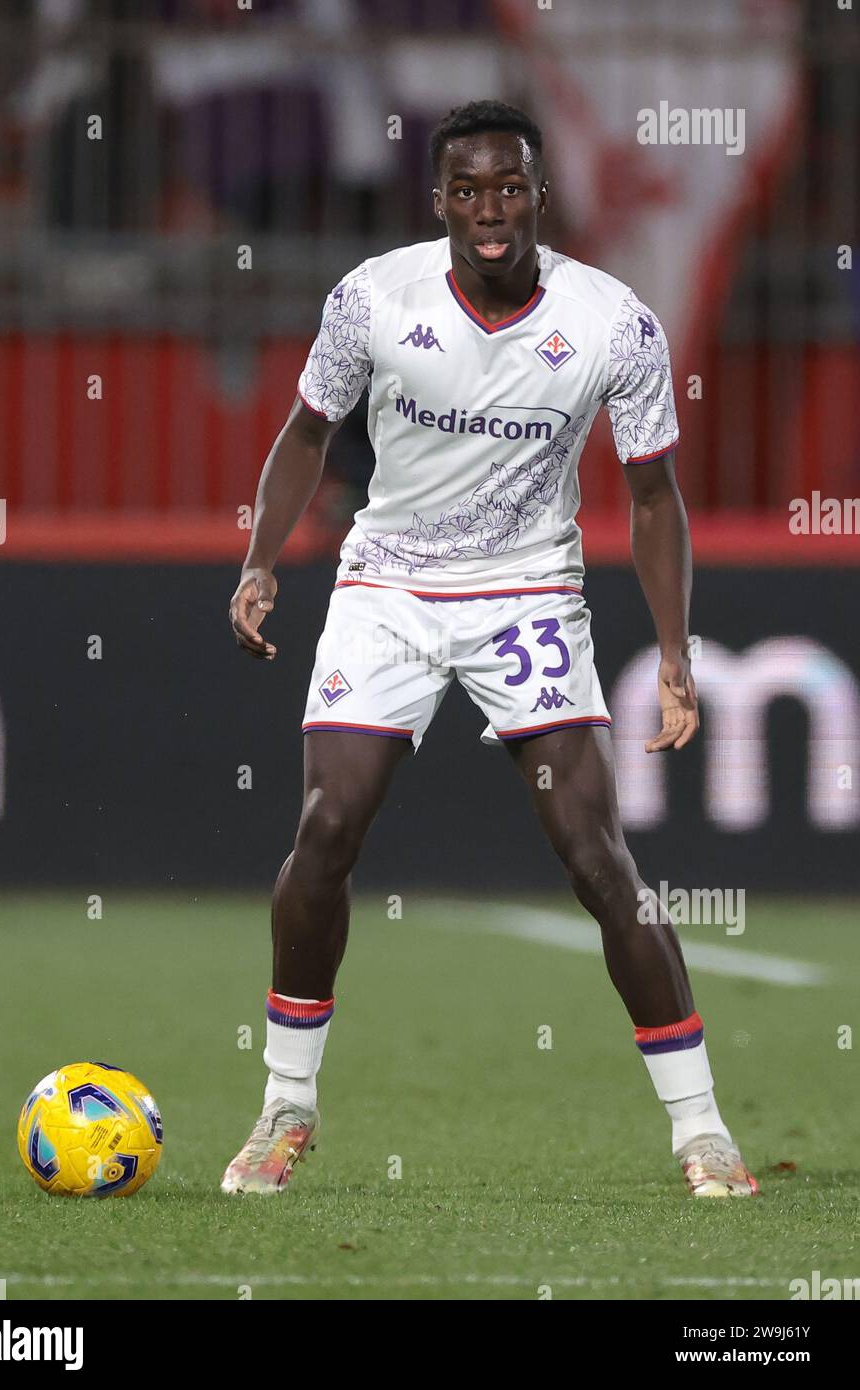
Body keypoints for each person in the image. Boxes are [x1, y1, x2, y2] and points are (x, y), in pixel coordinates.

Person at [222, 100, 757, 1200]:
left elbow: (653, 496)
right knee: (326, 826)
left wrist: (671, 652)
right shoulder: (374, 297)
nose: (491, 211)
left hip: (527, 597)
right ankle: (284, 1107)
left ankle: (701, 1130)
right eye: (468, 191)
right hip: (390, 588)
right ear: (440, 202)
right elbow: (309, 432)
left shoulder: (613, 323)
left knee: (597, 856)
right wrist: (261, 559)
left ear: (538, 195)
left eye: (508, 187)